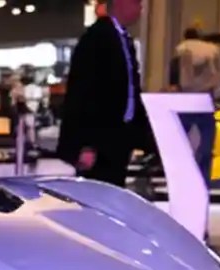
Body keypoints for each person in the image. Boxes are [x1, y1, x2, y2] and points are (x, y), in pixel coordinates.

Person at [57, 0, 150, 188]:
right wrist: (85, 144)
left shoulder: (124, 40)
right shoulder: (96, 38)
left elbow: (131, 91)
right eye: (136, 3)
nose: (140, 8)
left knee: (113, 190)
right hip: (100, 140)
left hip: (118, 137)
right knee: (97, 194)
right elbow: (83, 94)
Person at [175, 28, 220, 95]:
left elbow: (180, 53)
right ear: (199, 37)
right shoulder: (212, 47)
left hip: (190, 86)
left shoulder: (184, 46)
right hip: (210, 85)